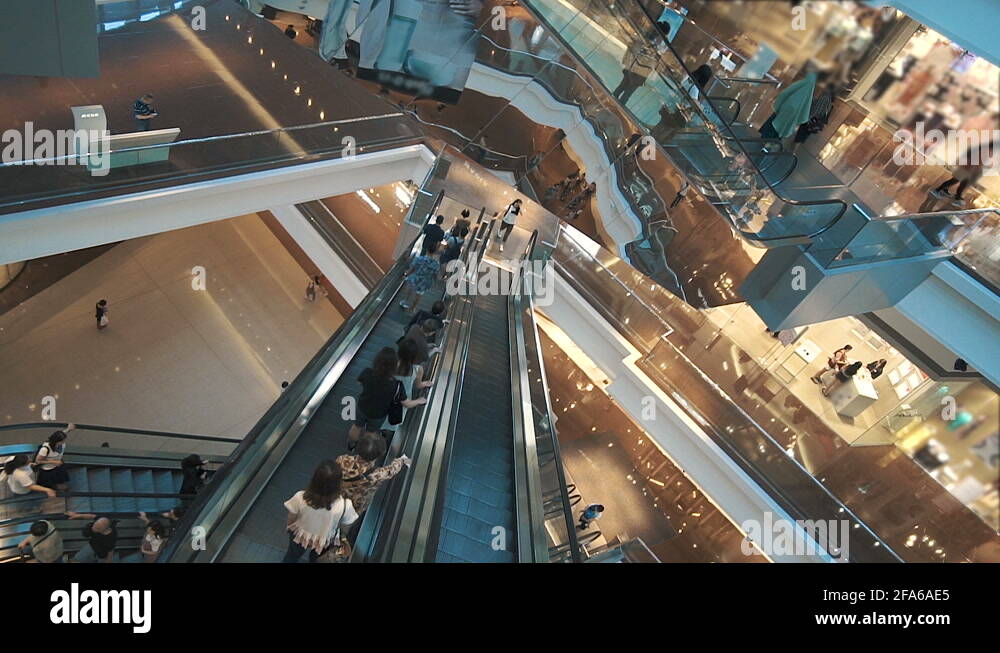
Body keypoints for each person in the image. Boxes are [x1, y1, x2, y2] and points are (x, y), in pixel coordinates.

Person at [282, 460, 359, 563]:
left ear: (314, 479)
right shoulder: (345, 505)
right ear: (339, 483)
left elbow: (292, 516)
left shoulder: (300, 497)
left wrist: (289, 527)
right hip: (324, 539)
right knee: (316, 557)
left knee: (292, 554)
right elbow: (346, 524)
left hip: (300, 534)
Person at [348, 347, 425, 446]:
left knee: (357, 426)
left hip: (362, 406)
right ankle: (364, 448)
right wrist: (419, 401)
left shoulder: (367, 372)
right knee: (370, 432)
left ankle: (351, 444)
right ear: (394, 366)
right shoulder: (396, 385)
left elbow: (359, 382)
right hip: (378, 414)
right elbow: (407, 404)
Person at [336, 432, 411, 514]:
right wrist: (403, 460)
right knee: (351, 516)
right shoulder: (375, 475)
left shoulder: (342, 459)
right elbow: (391, 470)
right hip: (355, 502)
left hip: (337, 493)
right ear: (379, 455)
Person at [383, 339, 434, 433]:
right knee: (391, 422)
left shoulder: (390, 364)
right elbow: (417, 386)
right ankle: (386, 433)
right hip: (400, 404)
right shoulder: (417, 369)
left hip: (384, 400)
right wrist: (419, 400)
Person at [931, 139, 999, 206]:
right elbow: (980, 162)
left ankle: (956, 196)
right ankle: (938, 191)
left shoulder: (986, 150)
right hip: (968, 169)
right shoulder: (987, 151)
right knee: (955, 181)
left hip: (968, 169)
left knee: (961, 183)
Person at [759, 72, 817, 141]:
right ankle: (772, 142)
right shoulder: (810, 90)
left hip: (786, 107)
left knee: (774, 123)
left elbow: (786, 92)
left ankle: (765, 138)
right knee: (783, 127)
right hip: (794, 113)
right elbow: (805, 109)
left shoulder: (802, 83)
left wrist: (778, 103)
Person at [399, 241, 440, 312]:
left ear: (427, 250)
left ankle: (405, 301)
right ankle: (413, 307)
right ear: (434, 252)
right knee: (419, 294)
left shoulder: (419, 258)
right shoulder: (436, 264)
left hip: (415, 277)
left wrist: (406, 274)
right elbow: (435, 275)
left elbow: (411, 269)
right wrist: (435, 282)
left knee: (410, 288)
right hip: (425, 281)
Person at [34, 423, 75, 490]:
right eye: (62, 441)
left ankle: (60, 484)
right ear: (56, 441)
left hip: (57, 464)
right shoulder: (45, 449)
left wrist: (68, 429)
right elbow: (38, 461)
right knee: (50, 481)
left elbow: (61, 434)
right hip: (49, 468)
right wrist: (53, 461)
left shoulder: (60, 444)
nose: (64, 442)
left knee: (59, 475)